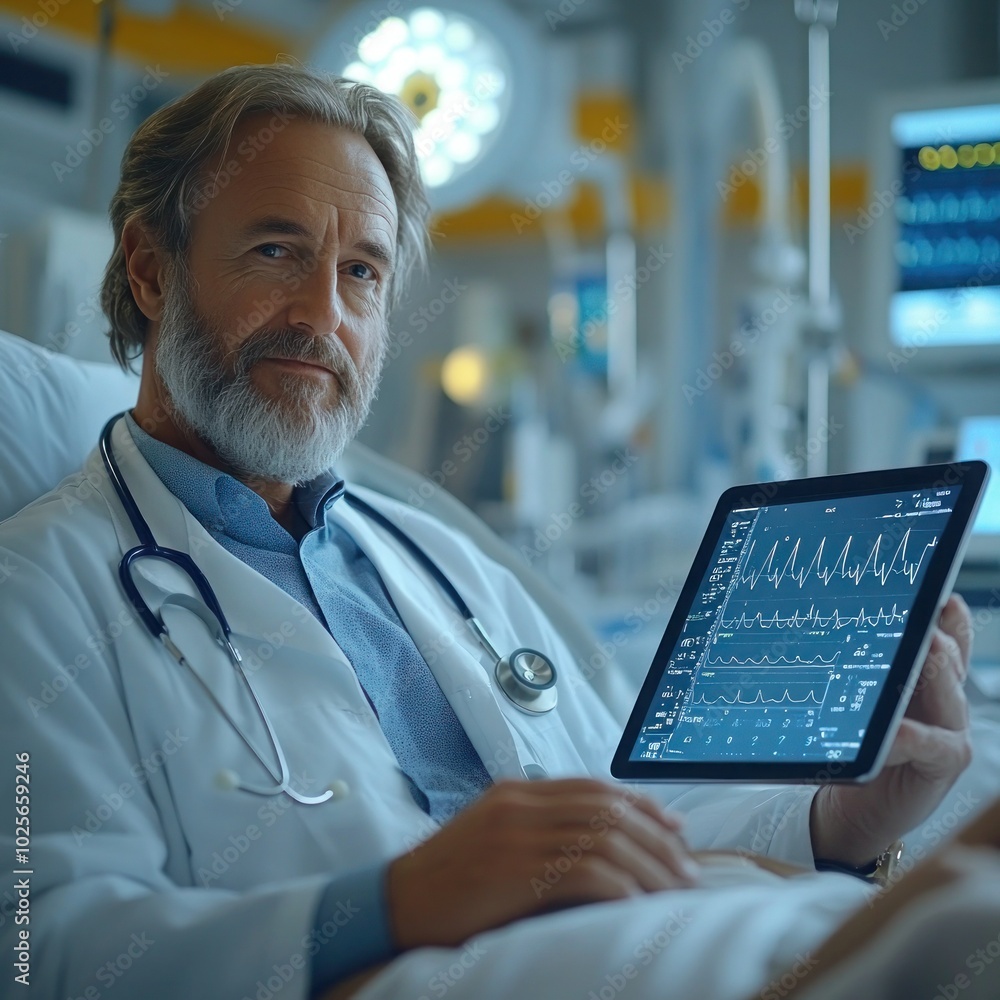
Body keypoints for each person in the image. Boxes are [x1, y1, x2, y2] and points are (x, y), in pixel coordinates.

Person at [0, 62, 994, 1000]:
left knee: (953, 893)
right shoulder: (39, 591)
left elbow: (625, 817)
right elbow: (39, 947)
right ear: (150, 270)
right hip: (437, 975)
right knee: (953, 929)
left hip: (639, 939)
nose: (322, 314)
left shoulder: (433, 559)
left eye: (361, 272)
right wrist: (392, 902)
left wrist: (838, 822)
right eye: (276, 252)